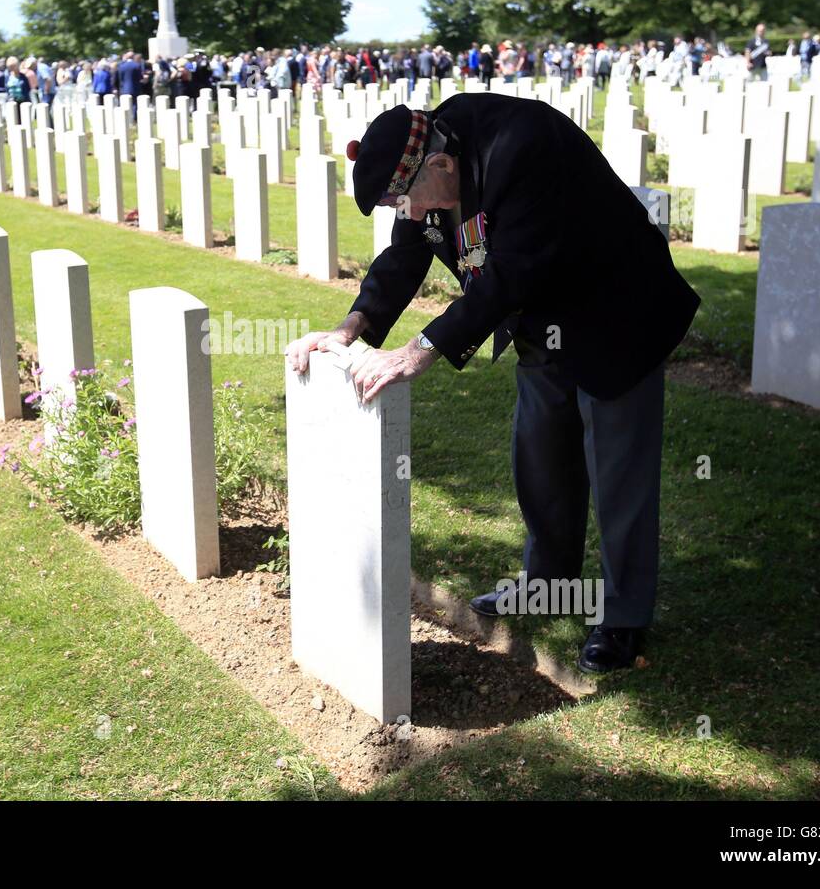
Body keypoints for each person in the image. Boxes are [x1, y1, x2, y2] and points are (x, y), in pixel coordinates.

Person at [285, 93, 700, 674]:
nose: (406, 213)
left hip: (615, 311)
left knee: (618, 471)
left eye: (404, 199)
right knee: (540, 452)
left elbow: (513, 272)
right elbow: (406, 254)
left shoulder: (522, 145)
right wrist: (352, 328)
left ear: (442, 167)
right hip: (542, 319)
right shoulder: (428, 161)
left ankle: (624, 618)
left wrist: (418, 351)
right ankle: (548, 584)